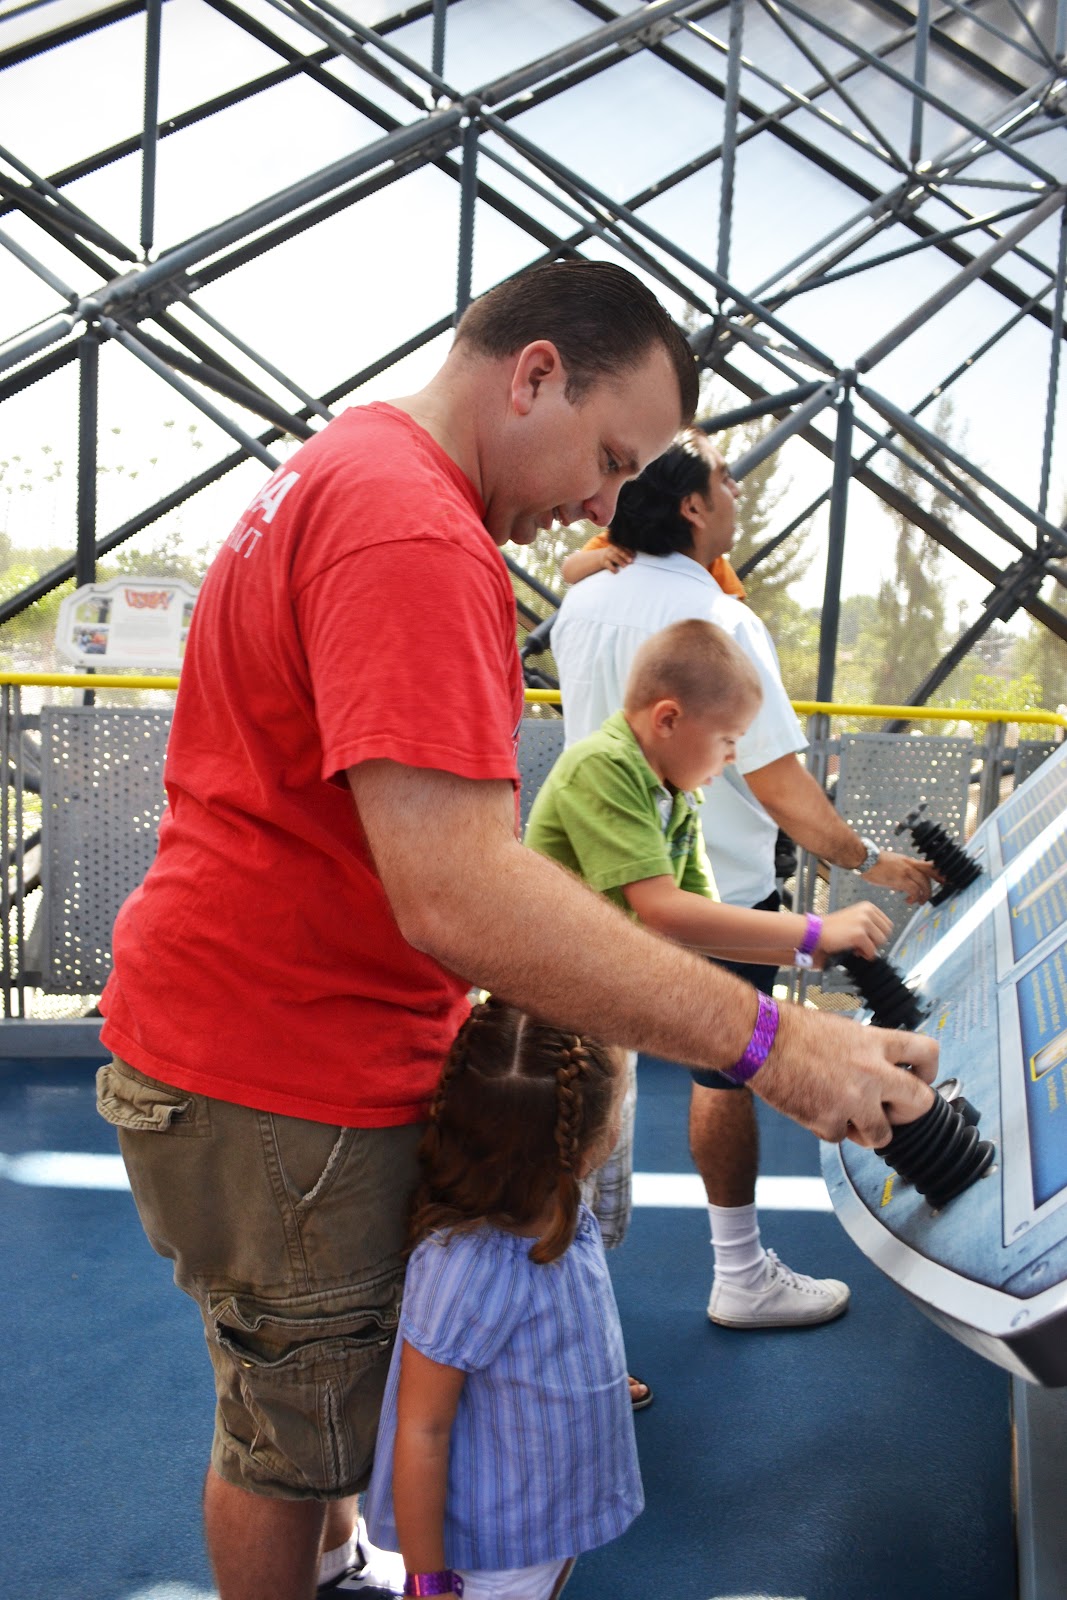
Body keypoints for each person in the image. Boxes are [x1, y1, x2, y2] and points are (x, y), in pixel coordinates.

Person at [95, 261, 937, 1600]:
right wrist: (772, 1046)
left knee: (303, 1396)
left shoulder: (350, 469)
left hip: (235, 1036)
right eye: (605, 458)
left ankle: (334, 1571)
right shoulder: (411, 533)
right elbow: (457, 888)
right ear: (531, 372)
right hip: (283, 1067)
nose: (602, 508)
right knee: (289, 1438)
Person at [551, 429, 938, 1331]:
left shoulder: (587, 600)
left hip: (590, 896)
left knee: (583, 1104)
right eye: (724, 479)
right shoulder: (721, 625)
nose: (736, 491)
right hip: (713, 895)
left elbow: (579, 573)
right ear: (692, 506)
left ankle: (559, 1314)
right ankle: (738, 1275)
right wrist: (865, 867)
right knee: (729, 1072)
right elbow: (778, 786)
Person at [526, 618, 892, 1350]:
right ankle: (549, 1364)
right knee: (548, 1204)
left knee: (595, 1205)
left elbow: (703, 922)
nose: (728, 763)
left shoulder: (671, 793)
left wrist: (802, 956)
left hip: (603, 1026)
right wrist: (814, 931)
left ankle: (565, 1352)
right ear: (668, 719)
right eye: (727, 743)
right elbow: (660, 908)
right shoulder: (605, 769)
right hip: (545, 1033)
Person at [362, 999, 640, 1600]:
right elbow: (422, 1430)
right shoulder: (467, 1267)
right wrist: (429, 1582)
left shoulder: (562, 1211)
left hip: (545, 1521)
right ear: (592, 1143)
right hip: (492, 1555)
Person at [561, 524, 747, 598]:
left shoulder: (702, 551)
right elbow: (569, 570)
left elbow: (734, 599)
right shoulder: (615, 542)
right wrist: (602, 557)